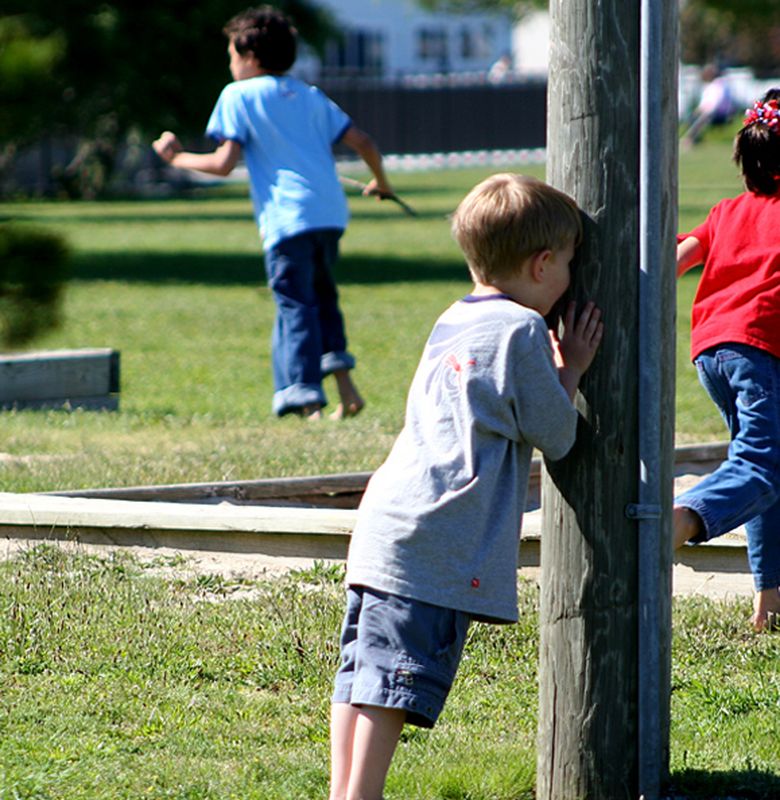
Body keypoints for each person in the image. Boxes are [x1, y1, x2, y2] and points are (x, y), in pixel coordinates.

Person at [329, 173, 604, 800]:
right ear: (541, 265)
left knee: (360, 675)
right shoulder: (522, 330)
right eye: (566, 262)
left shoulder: (454, 316)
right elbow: (556, 434)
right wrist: (573, 369)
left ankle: (343, 791)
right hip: (436, 532)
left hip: (389, 520)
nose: (569, 276)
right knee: (392, 683)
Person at [152, 6, 394, 420]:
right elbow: (364, 142)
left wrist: (176, 160)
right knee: (322, 299)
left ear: (249, 57)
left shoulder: (238, 96)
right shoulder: (309, 94)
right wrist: (381, 183)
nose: (230, 65)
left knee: (294, 304)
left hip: (287, 218)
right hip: (329, 215)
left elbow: (224, 163)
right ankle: (346, 390)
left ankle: (305, 400)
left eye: (231, 56)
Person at [674, 88, 780, 633]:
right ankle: (673, 525)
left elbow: (676, 260)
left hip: (711, 351)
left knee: (764, 468)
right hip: (760, 350)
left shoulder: (726, 212)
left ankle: (768, 604)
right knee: (759, 467)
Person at [682, 64, 734, 148]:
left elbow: (716, 102)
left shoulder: (719, 84)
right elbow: (704, 103)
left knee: (703, 118)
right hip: (708, 111)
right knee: (692, 117)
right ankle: (694, 139)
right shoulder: (710, 85)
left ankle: (689, 139)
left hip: (719, 113)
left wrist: (705, 110)